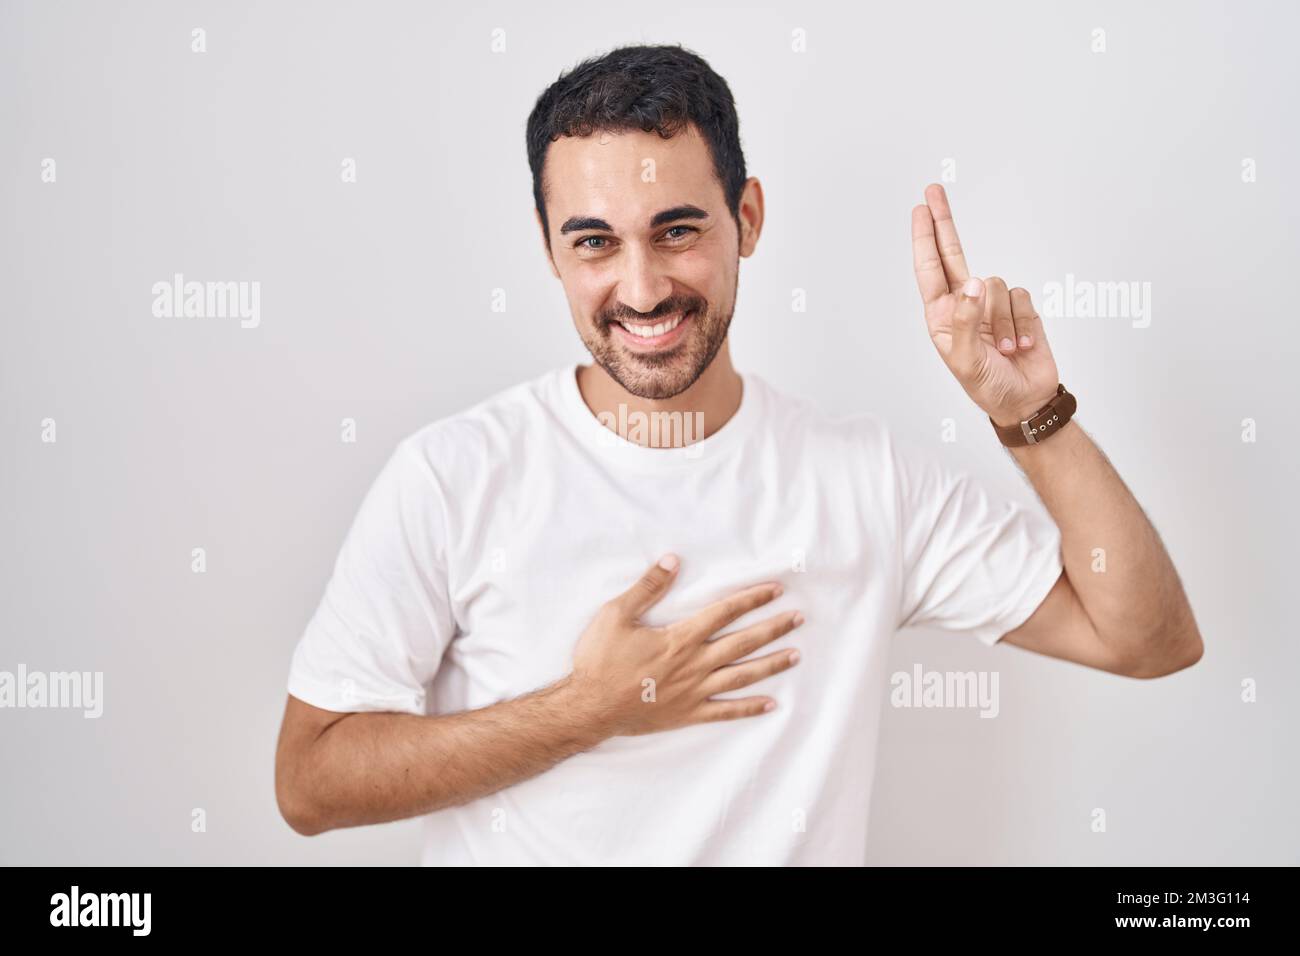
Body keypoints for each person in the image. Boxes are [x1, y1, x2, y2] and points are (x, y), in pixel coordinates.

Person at [274, 43, 1202, 865]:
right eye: (594, 242)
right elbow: (309, 783)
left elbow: (1148, 638)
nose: (641, 290)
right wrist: (593, 706)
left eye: (678, 231)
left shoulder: (865, 483)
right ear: (549, 248)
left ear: (747, 218)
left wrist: (1032, 414)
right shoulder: (452, 477)